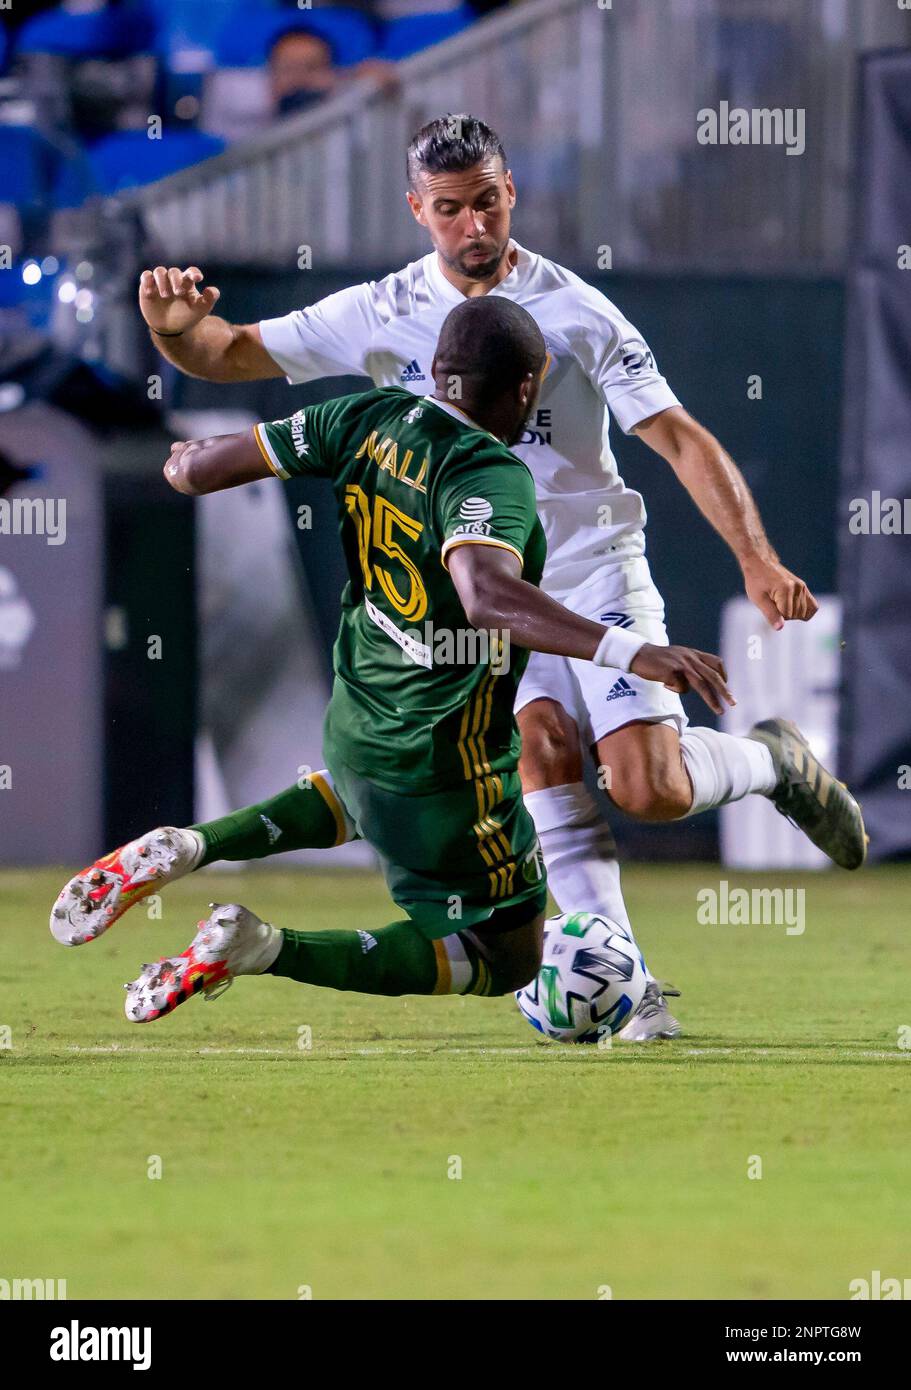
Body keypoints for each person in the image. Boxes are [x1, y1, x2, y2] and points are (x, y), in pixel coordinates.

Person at [129, 114, 867, 1038]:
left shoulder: (577, 309)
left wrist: (755, 557)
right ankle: (627, 987)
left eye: (487, 202)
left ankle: (770, 762)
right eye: (449, 209)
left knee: (647, 788)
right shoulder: (379, 309)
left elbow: (675, 433)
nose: (473, 226)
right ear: (417, 210)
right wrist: (172, 331)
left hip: (591, 566)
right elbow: (226, 351)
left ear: (510, 192)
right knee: (544, 756)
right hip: (476, 590)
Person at [50, 297, 733, 1026]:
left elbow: (196, 470)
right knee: (509, 954)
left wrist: (182, 459)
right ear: (527, 388)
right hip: (447, 760)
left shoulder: (363, 417)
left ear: (435, 371)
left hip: (357, 717)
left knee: (360, 796)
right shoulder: (489, 473)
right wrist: (634, 649)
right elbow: (486, 595)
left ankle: (192, 843)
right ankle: (260, 946)